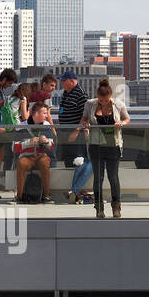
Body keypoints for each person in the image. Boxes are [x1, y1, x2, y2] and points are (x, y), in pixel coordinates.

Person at [80, 78, 130, 218]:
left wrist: (121, 123)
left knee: (113, 177)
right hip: (96, 145)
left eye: (106, 100)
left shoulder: (118, 104)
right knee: (98, 177)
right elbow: (83, 118)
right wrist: (85, 124)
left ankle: (116, 206)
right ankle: (99, 208)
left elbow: (127, 119)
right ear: (97, 97)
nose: (103, 103)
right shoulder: (90, 104)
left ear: (110, 96)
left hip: (113, 145)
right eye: (101, 101)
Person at [56, 72, 92, 204]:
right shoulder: (66, 93)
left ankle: (74, 191)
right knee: (68, 160)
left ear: (71, 81)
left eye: (63, 81)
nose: (61, 83)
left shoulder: (80, 93)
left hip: (76, 134)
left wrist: (76, 131)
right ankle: (73, 192)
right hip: (65, 133)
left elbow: (85, 116)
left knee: (78, 160)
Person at [14, 102, 56, 202]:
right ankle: (19, 196)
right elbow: (14, 147)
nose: (47, 116)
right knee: (22, 163)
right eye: (45, 113)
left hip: (41, 156)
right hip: (26, 156)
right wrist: (28, 143)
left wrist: (46, 142)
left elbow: (52, 146)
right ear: (36, 114)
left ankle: (47, 195)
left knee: (44, 162)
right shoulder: (21, 126)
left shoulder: (47, 125)